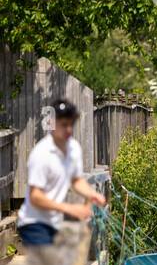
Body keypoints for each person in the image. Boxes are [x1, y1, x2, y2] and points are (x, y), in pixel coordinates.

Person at [16, 99, 106, 247]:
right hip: (34, 223)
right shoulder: (41, 153)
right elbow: (35, 197)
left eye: (71, 124)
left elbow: (76, 180)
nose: (69, 129)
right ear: (53, 124)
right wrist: (70, 209)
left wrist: (92, 194)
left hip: (54, 222)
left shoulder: (74, 148)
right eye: (64, 125)